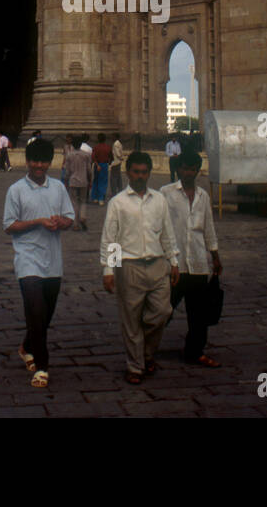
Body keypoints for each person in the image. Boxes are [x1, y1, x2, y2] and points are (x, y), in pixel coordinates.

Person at [100, 151, 179, 385]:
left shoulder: (159, 200)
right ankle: (136, 366)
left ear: (149, 173)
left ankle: (144, 352)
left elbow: (167, 233)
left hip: (157, 264)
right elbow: (110, 238)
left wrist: (174, 261)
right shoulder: (118, 203)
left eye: (144, 172)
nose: (140, 176)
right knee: (131, 318)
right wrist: (108, 270)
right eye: (136, 172)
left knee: (163, 312)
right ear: (128, 173)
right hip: (130, 266)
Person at [3, 138, 74, 388]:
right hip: (27, 259)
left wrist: (60, 222)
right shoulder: (16, 190)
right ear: (27, 161)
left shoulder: (58, 188)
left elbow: (70, 219)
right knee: (35, 309)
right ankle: (42, 367)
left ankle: (26, 346)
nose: (39, 165)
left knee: (45, 315)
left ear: (50, 162)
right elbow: (9, 226)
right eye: (34, 160)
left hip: (53, 260)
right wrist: (38, 222)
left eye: (44, 160)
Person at [161, 149, 222, 367]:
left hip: (197, 262)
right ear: (178, 169)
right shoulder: (165, 193)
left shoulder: (203, 196)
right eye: (185, 168)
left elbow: (208, 228)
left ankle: (195, 351)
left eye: (193, 169)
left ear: (198, 171)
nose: (189, 172)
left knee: (198, 314)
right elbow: (160, 228)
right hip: (175, 264)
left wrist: (214, 256)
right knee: (163, 310)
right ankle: (146, 348)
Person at [62, 135, 92, 231]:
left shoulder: (69, 155)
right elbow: (89, 169)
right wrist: (90, 179)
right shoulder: (86, 155)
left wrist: (66, 180)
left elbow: (67, 170)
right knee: (83, 201)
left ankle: (75, 224)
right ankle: (82, 217)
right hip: (83, 180)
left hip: (73, 180)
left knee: (74, 202)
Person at [91, 133, 112, 208]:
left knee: (96, 181)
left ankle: (95, 197)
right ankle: (101, 198)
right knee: (103, 182)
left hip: (97, 165)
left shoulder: (96, 147)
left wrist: (97, 165)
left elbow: (93, 157)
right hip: (104, 165)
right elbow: (110, 157)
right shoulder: (108, 147)